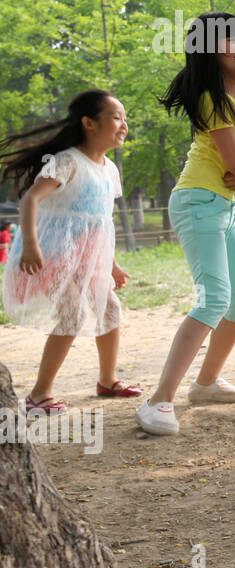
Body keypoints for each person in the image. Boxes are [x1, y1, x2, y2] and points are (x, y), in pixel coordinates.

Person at [136, 13, 235, 436]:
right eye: (231, 40)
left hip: (224, 204)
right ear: (208, 50)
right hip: (198, 200)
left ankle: (206, 383)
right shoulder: (210, 98)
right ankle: (158, 400)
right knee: (214, 299)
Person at [0, 91, 139, 412]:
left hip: (89, 257)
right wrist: (31, 246)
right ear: (89, 123)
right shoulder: (66, 162)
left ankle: (107, 380)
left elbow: (102, 222)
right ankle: (38, 395)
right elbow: (30, 200)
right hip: (53, 254)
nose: (124, 125)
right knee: (73, 314)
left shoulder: (108, 170)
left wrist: (112, 265)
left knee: (109, 310)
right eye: (117, 117)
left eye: (126, 118)